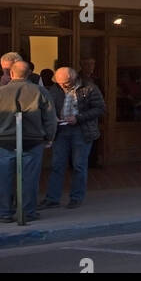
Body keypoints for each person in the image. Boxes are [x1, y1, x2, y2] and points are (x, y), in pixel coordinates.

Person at [0, 58, 57, 224]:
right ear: (29, 74)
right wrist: (49, 137)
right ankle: (28, 211)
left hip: (4, 140)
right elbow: (50, 118)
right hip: (33, 139)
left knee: (4, 177)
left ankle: (5, 212)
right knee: (29, 177)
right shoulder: (40, 91)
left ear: (11, 73)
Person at [41, 66, 106, 209]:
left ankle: (76, 197)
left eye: (65, 83)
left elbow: (100, 108)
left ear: (74, 78)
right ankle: (52, 198)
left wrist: (79, 118)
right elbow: (48, 107)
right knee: (57, 165)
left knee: (79, 165)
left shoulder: (89, 88)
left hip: (81, 130)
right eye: (59, 83)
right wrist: (53, 118)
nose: (62, 85)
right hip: (61, 130)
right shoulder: (55, 89)